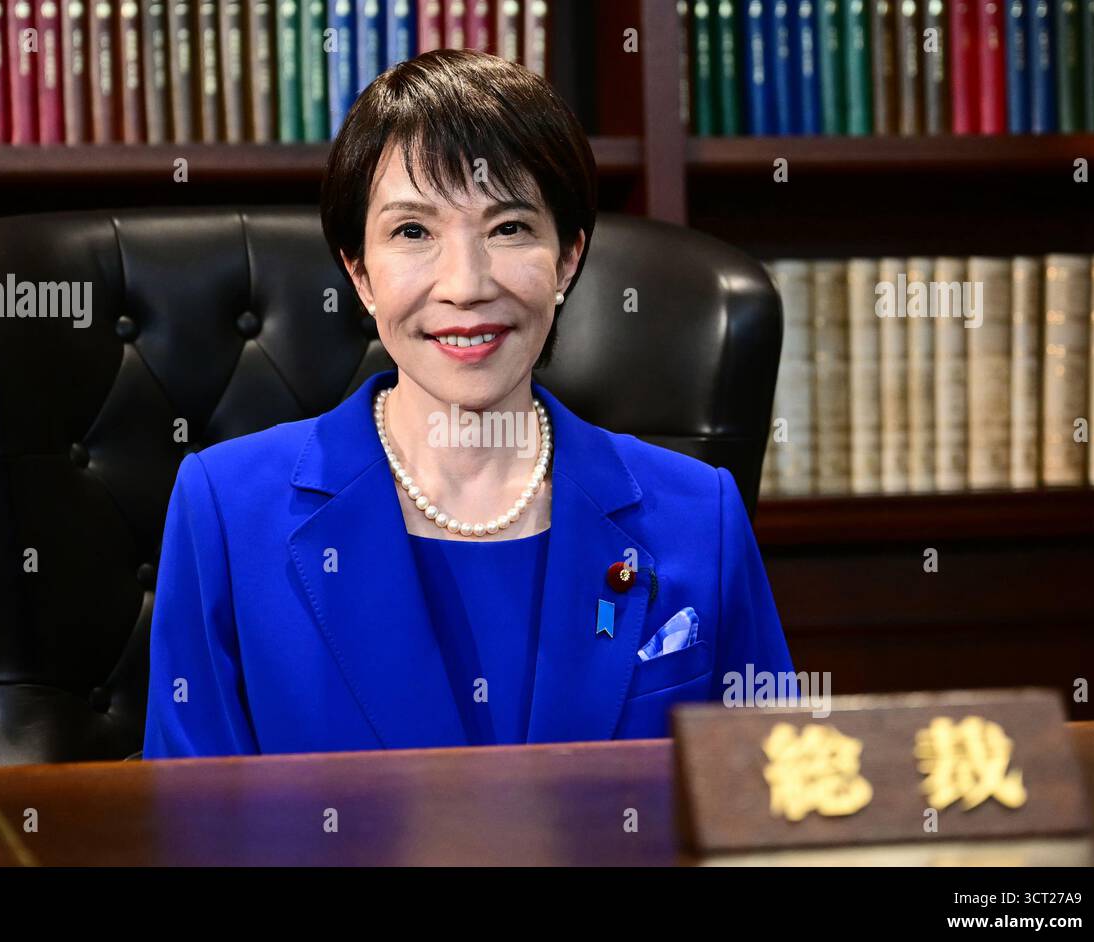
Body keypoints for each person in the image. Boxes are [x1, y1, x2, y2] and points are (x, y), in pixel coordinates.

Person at [142, 49, 794, 758]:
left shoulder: (702, 514)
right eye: (413, 232)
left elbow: (769, 809)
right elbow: (192, 826)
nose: (465, 285)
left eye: (509, 227)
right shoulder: (226, 510)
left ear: (568, 259)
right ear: (359, 273)